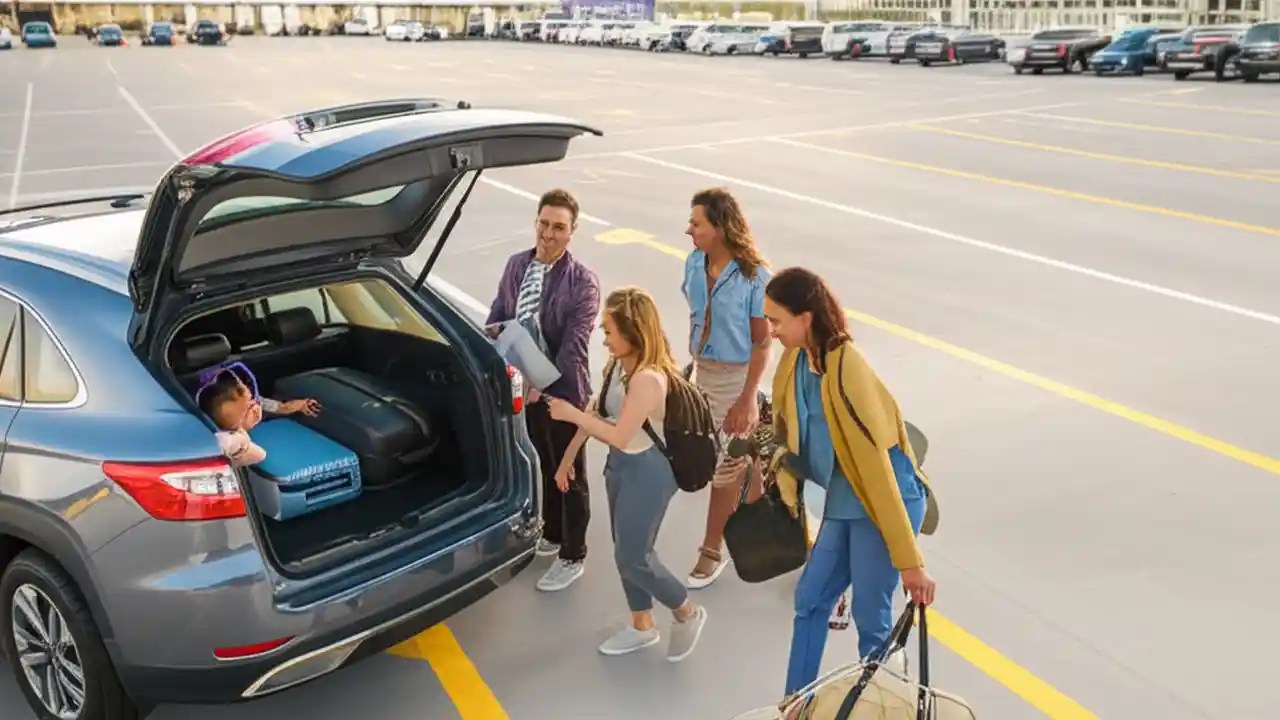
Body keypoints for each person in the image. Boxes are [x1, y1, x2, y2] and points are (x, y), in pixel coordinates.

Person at [759, 267, 937, 697]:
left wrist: (909, 561)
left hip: (881, 503)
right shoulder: (796, 361)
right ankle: (795, 704)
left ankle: (885, 704)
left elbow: (877, 471)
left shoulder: (846, 370)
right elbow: (787, 427)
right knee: (811, 600)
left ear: (806, 318)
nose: (771, 330)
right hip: (845, 499)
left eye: (777, 320)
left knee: (871, 620)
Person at [547, 286, 708, 662]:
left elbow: (618, 434)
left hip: (648, 472)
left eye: (608, 330)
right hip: (620, 467)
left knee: (634, 555)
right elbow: (597, 410)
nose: (603, 339)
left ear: (632, 332)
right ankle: (642, 626)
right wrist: (568, 457)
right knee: (627, 552)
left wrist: (571, 416)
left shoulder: (648, 379)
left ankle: (686, 612)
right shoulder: (620, 367)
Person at [486, 188, 601, 593]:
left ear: (572, 232)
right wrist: (497, 343)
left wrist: (546, 390)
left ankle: (574, 553)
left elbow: (575, 345)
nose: (549, 234)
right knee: (541, 466)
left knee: (569, 473)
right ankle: (552, 534)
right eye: (544, 223)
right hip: (524, 385)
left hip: (562, 391)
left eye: (559, 227)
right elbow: (498, 314)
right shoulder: (517, 264)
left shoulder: (583, 282)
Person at [680, 187, 773, 589]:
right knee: (729, 461)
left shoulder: (754, 276)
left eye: (696, 223)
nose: (689, 230)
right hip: (702, 374)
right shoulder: (692, 263)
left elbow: (762, 342)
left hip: (737, 379)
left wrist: (748, 397)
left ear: (719, 226)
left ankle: (712, 549)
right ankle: (768, 515)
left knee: (724, 468)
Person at [195, 362, 321, 467]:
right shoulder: (233, 440)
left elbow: (280, 407)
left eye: (250, 399)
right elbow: (259, 455)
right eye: (246, 412)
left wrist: (299, 405)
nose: (254, 407)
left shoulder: (254, 400)